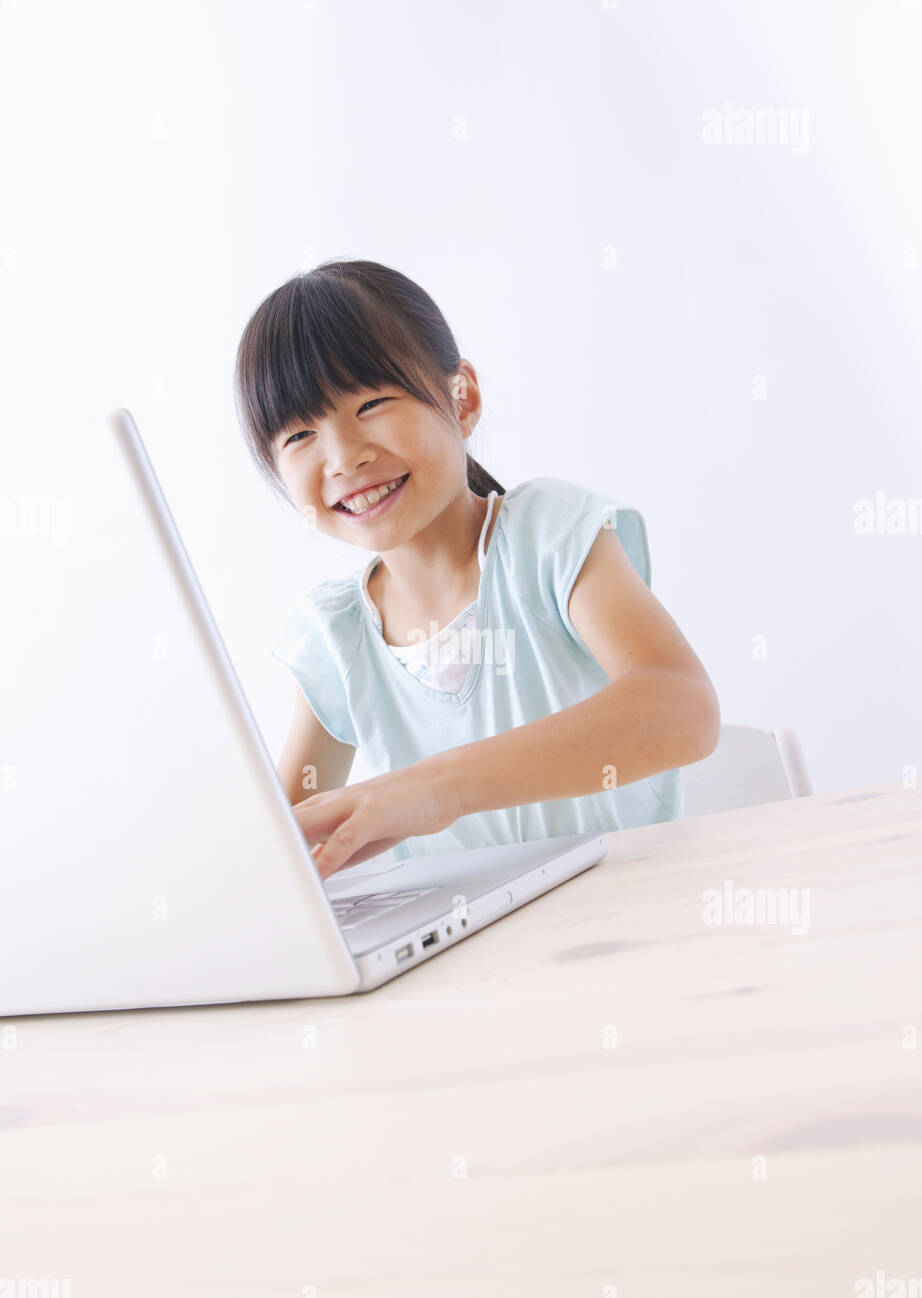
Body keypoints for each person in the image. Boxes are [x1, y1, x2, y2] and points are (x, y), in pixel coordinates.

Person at [234, 259, 720, 879]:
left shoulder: (549, 534)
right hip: (477, 962)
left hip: (628, 917)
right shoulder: (336, 634)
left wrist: (443, 787)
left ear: (462, 399)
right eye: (300, 436)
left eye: (373, 402)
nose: (344, 457)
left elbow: (683, 705)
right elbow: (285, 856)